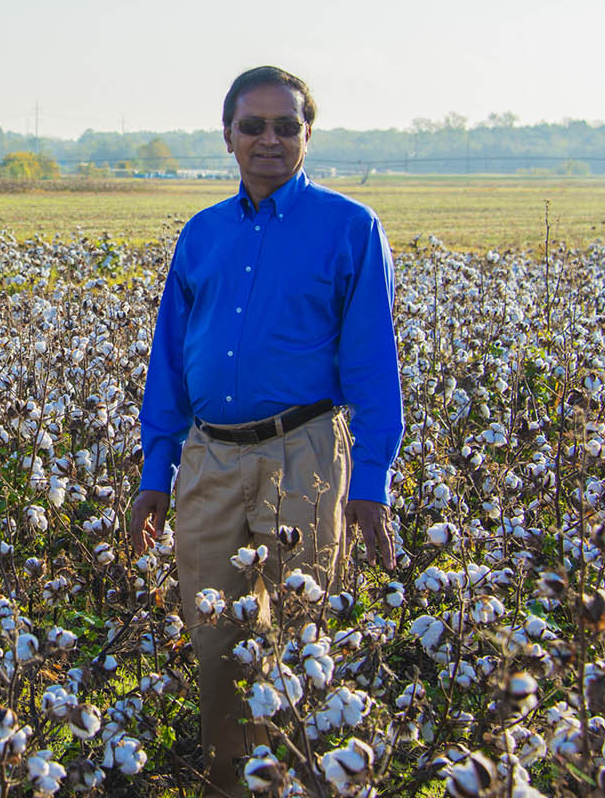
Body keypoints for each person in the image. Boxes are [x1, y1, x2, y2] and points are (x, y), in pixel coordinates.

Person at [128, 65, 404, 795]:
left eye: (286, 126)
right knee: (214, 641)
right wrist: (157, 473)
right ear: (228, 135)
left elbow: (374, 367)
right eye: (253, 126)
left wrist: (370, 483)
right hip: (209, 458)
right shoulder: (202, 234)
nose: (269, 139)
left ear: (308, 134)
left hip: (303, 453)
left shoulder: (351, 228)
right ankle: (230, 784)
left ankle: (299, 782)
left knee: (300, 641)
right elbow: (169, 362)